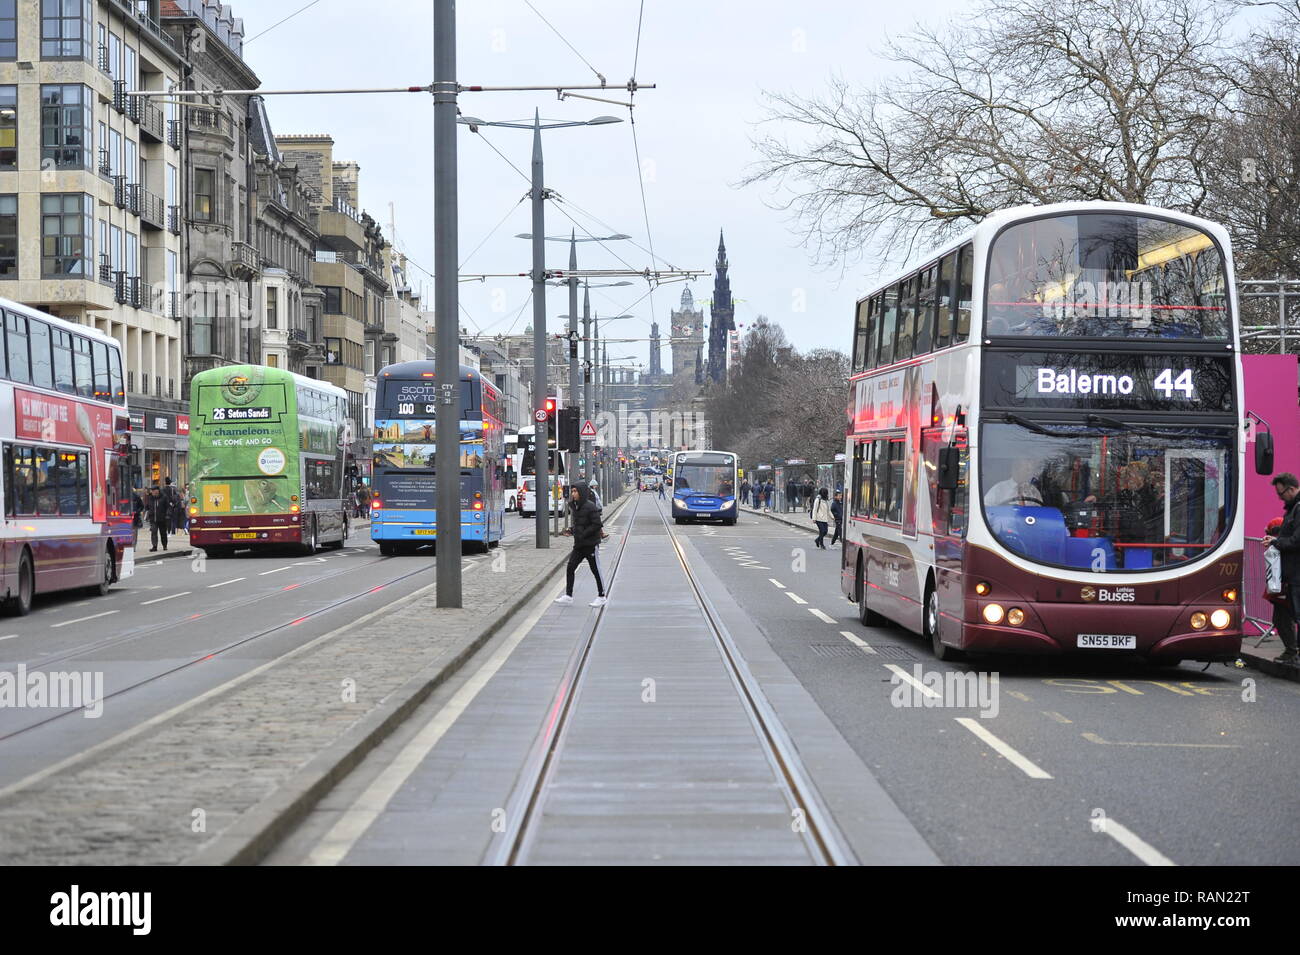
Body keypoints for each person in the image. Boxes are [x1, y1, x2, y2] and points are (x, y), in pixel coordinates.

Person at [1265, 472, 1300, 665]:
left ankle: (1293, 652)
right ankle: (1291, 651)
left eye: (1281, 493)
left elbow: (1297, 541)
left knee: (1295, 614)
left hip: (1296, 573)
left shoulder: (1298, 509)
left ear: (1292, 489)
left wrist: (1277, 541)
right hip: (1290, 574)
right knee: (1283, 614)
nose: (1280, 498)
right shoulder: (1293, 508)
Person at [554, 481, 607, 608]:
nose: (573, 494)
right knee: (570, 567)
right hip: (579, 545)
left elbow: (597, 524)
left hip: (590, 544)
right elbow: (580, 524)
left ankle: (601, 596)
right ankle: (568, 595)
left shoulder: (590, 506)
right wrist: (571, 530)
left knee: (595, 570)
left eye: (575, 491)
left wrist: (583, 533)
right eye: (572, 491)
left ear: (581, 492)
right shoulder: (575, 506)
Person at [1263, 515, 1297, 664]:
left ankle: (1292, 651)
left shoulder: (1284, 542)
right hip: (1284, 585)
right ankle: (1291, 651)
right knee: (1281, 619)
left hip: (1287, 584)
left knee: (1283, 619)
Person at [145, 484, 172, 552]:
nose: (153, 492)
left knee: (163, 533)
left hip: (162, 518)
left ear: (158, 491)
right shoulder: (150, 498)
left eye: (154, 490)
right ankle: (154, 546)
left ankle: (164, 545)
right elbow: (148, 506)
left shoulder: (164, 497)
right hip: (153, 519)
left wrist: (167, 514)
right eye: (152, 491)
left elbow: (168, 507)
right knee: (154, 532)